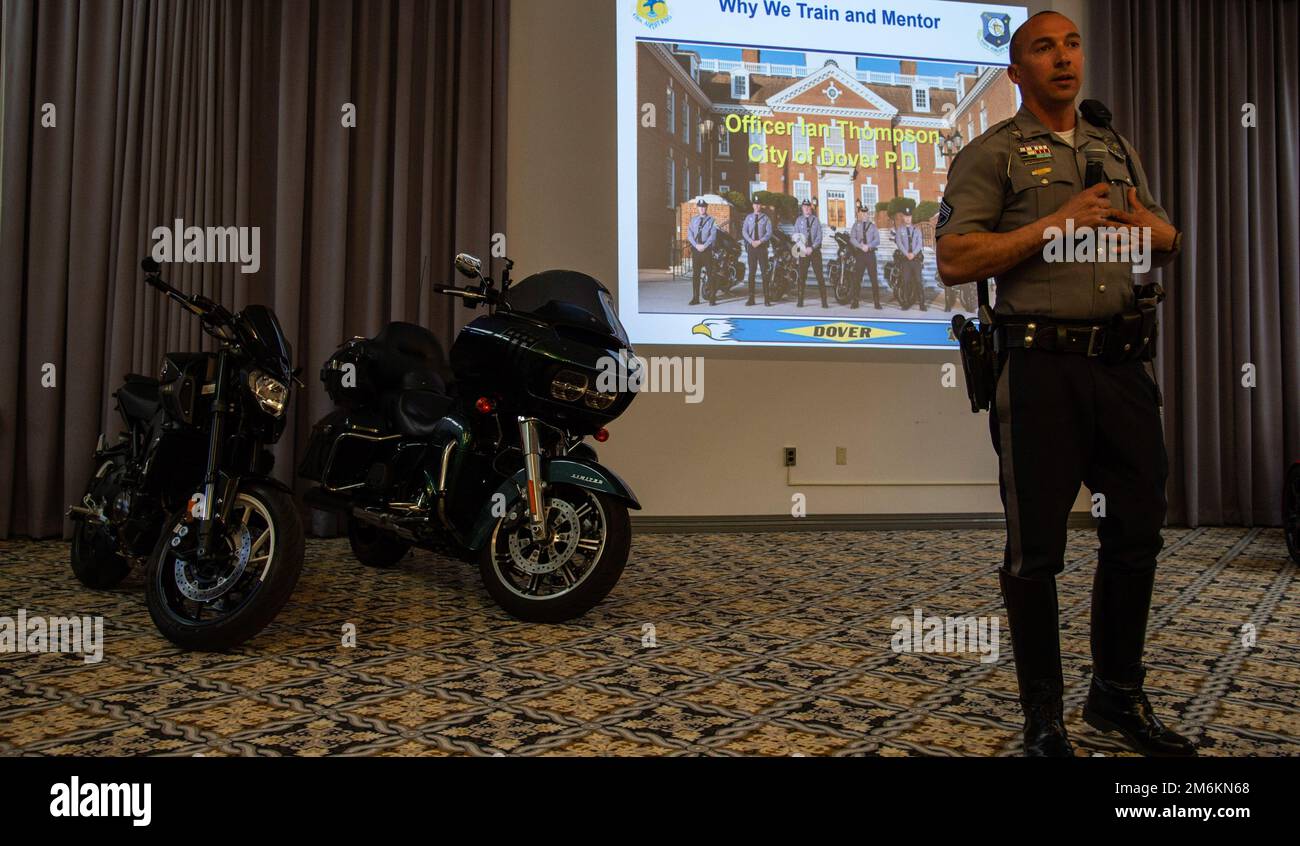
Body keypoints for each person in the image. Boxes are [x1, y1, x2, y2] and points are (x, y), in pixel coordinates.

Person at [936, 10, 1191, 757]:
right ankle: (1043, 716)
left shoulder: (1114, 146)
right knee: (1036, 549)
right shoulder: (993, 156)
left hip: (1123, 367)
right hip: (1041, 370)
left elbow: (1168, 239)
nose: (1063, 58)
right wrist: (1056, 225)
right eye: (1043, 48)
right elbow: (955, 259)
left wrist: (1146, 229)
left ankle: (1116, 696)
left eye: (1072, 44)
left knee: (1137, 533)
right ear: (1016, 72)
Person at [793, 199, 827, 308]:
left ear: (810, 208)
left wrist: (812, 248)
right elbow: (796, 236)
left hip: (815, 251)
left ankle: (824, 301)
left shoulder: (816, 220)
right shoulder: (798, 221)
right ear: (802, 208)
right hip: (803, 251)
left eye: (808, 207)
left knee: (819, 276)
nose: (807, 208)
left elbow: (819, 236)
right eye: (805, 207)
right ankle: (800, 300)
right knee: (802, 277)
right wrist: (803, 248)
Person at [847, 202, 881, 309]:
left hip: (870, 254)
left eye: (866, 213)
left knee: (874, 279)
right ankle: (855, 301)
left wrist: (869, 246)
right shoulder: (855, 225)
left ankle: (877, 302)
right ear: (860, 214)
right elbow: (852, 238)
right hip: (860, 255)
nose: (864, 215)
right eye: (862, 213)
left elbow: (877, 240)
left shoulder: (873, 226)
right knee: (857, 279)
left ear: (868, 214)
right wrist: (860, 246)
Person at [742, 196, 773, 306]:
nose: (757, 206)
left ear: (761, 206)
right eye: (755, 204)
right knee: (752, 273)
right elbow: (744, 231)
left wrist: (760, 241)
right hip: (751, 247)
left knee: (765, 273)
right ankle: (751, 298)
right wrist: (751, 241)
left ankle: (766, 298)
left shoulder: (766, 218)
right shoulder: (748, 217)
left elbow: (769, 233)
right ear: (753, 205)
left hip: (762, 248)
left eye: (759, 204)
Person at [687, 198, 717, 306]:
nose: (702, 209)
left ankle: (712, 297)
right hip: (696, 249)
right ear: (698, 208)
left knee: (711, 273)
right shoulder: (693, 220)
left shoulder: (711, 220)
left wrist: (704, 245)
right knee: (696, 275)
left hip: (706, 249)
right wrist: (696, 245)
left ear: (706, 208)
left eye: (704, 207)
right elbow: (689, 234)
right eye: (700, 207)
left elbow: (713, 235)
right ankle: (695, 298)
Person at [895, 208, 926, 311]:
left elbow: (919, 244)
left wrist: (913, 253)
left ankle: (922, 304)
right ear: (904, 217)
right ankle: (906, 302)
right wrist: (906, 254)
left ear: (911, 217)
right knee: (905, 281)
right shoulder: (900, 229)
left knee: (918, 281)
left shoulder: (917, 230)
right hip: (905, 260)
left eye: (909, 217)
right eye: (906, 217)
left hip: (915, 259)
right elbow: (899, 243)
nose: (908, 219)